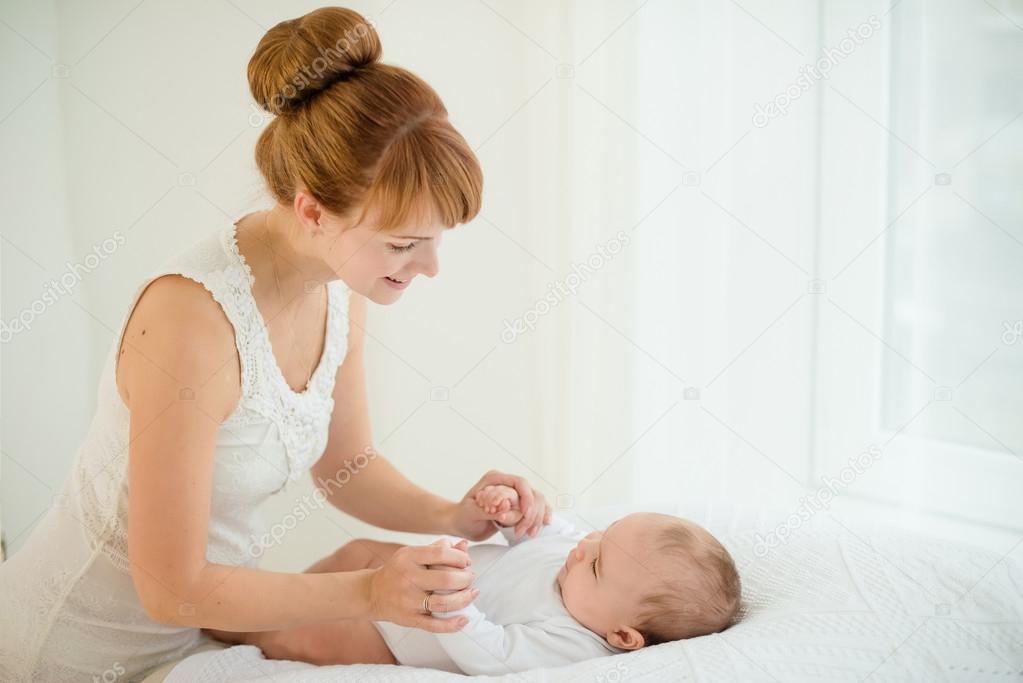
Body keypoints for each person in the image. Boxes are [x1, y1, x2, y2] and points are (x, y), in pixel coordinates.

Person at [0, 6, 552, 682]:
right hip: (77, 649)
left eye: (437, 238)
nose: (429, 267)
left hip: (209, 635)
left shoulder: (340, 283)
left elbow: (346, 466)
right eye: (405, 244)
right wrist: (371, 591)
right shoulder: (190, 321)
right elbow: (166, 586)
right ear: (313, 210)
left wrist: (454, 515)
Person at [210, 485, 743, 676]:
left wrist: (449, 604)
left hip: (403, 633)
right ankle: (255, 596)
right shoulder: (576, 560)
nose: (584, 547)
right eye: (603, 535)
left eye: (598, 563)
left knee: (303, 637)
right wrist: (514, 515)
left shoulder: (568, 643)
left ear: (623, 636)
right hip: (416, 570)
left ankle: (232, 629)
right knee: (356, 552)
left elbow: (495, 653)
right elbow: (549, 535)